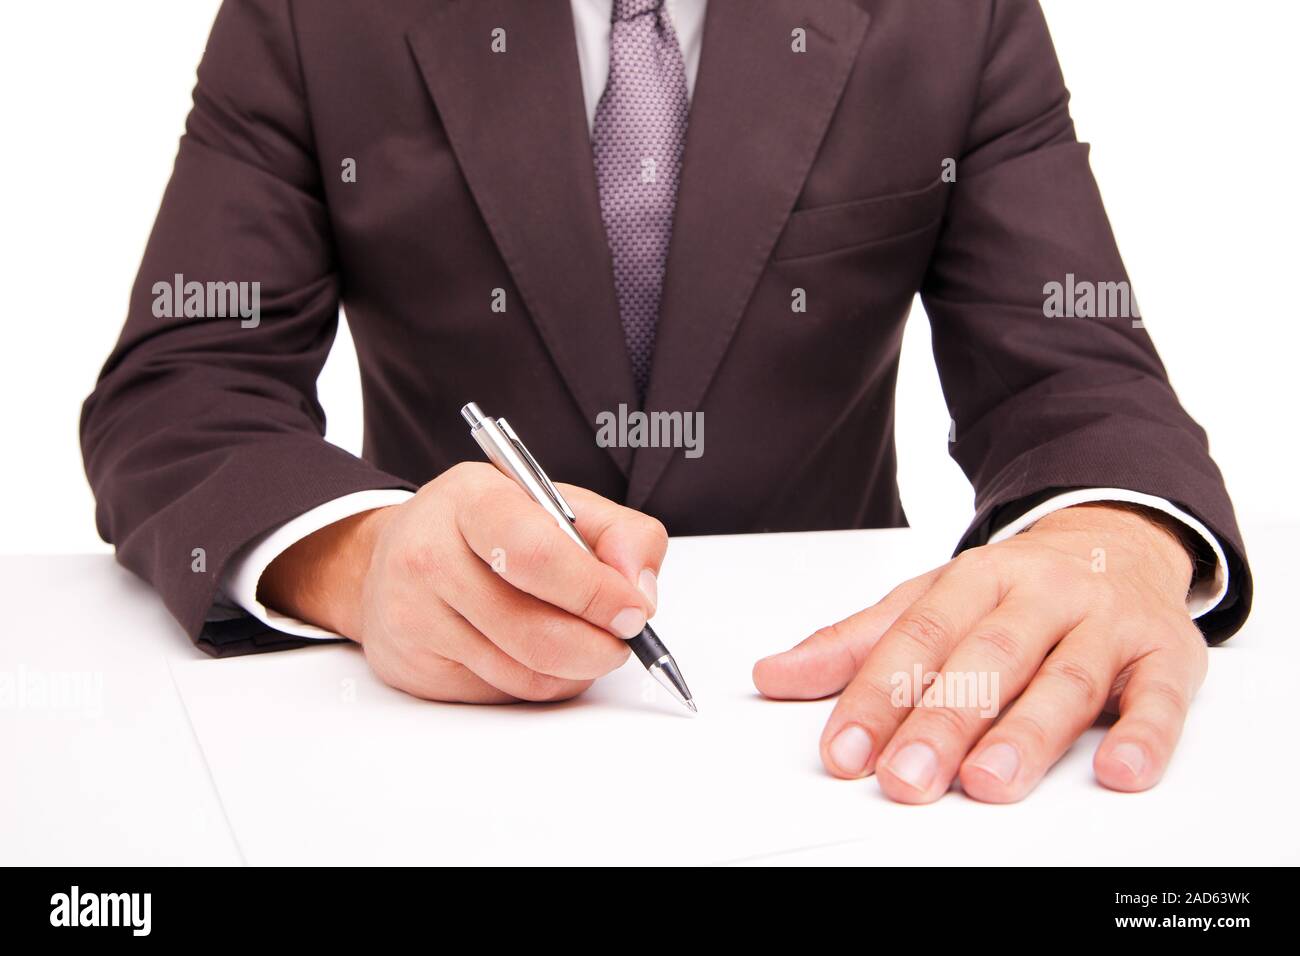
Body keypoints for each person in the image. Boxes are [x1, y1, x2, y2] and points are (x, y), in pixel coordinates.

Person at [81, 0, 1251, 804]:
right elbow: (183, 385)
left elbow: (1080, 370)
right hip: (427, 754)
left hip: (810, 718)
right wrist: (360, 559)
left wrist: (1110, 549)